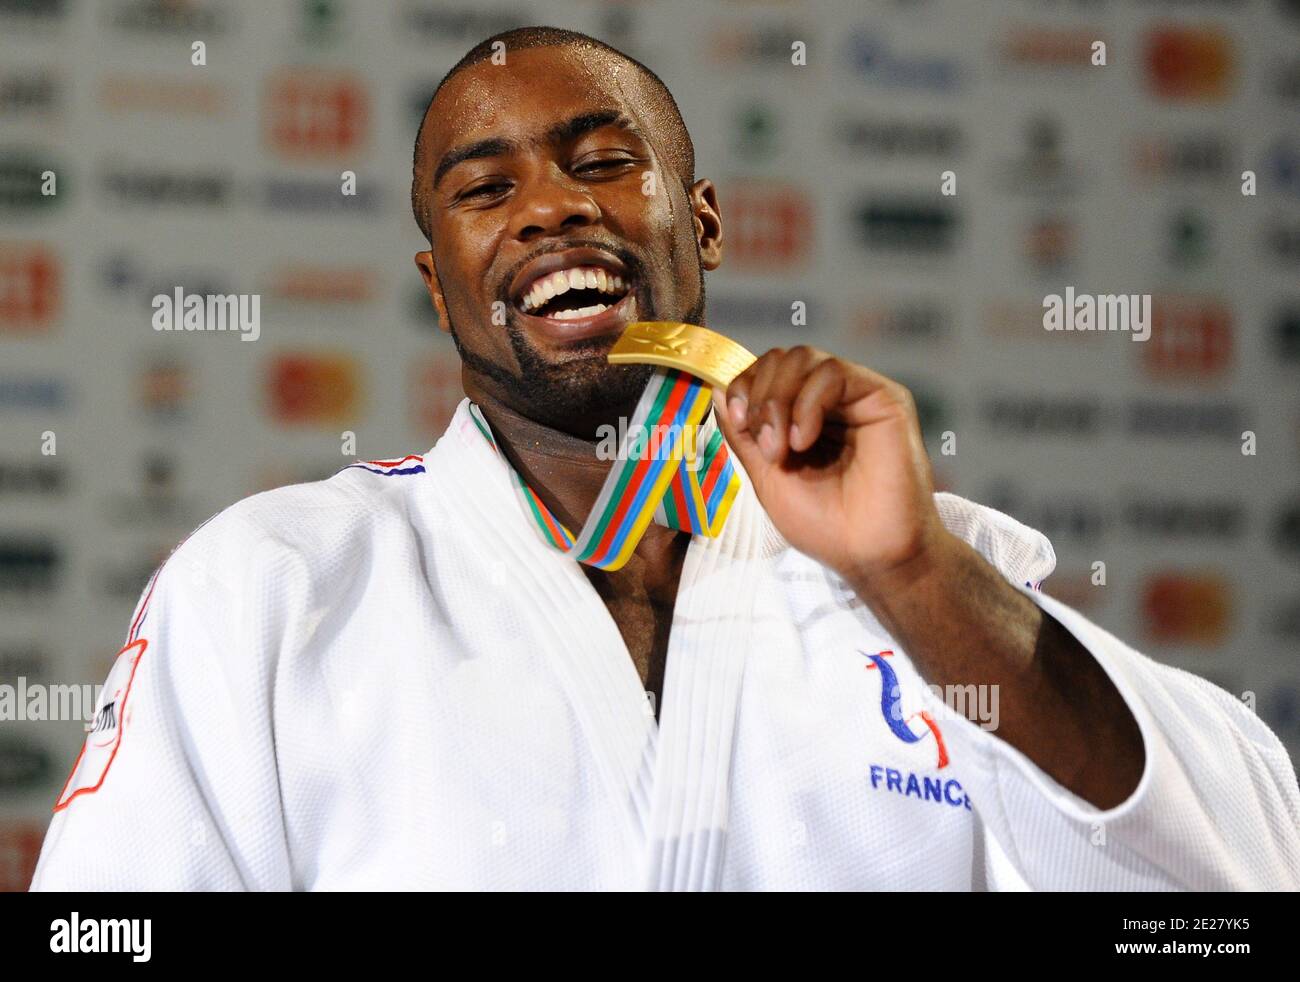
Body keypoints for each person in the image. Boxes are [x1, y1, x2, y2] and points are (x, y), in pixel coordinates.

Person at [30, 27, 1300, 891]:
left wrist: (910, 570)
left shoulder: (933, 574)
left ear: (700, 224)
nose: (548, 207)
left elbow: (1226, 881)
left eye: (602, 162)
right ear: (442, 286)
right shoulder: (274, 585)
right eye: (484, 191)